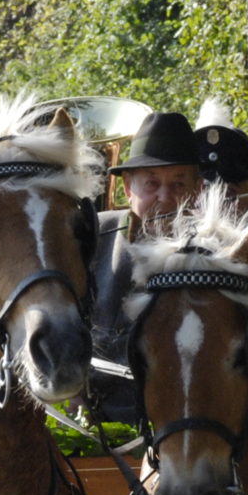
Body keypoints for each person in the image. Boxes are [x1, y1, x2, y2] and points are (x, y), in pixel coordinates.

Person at [88, 111, 205, 422]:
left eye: (178, 184)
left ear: (199, 189)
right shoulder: (88, 237)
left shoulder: (217, 255)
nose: (165, 198)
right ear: (128, 187)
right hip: (83, 427)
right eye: (151, 184)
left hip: (183, 429)